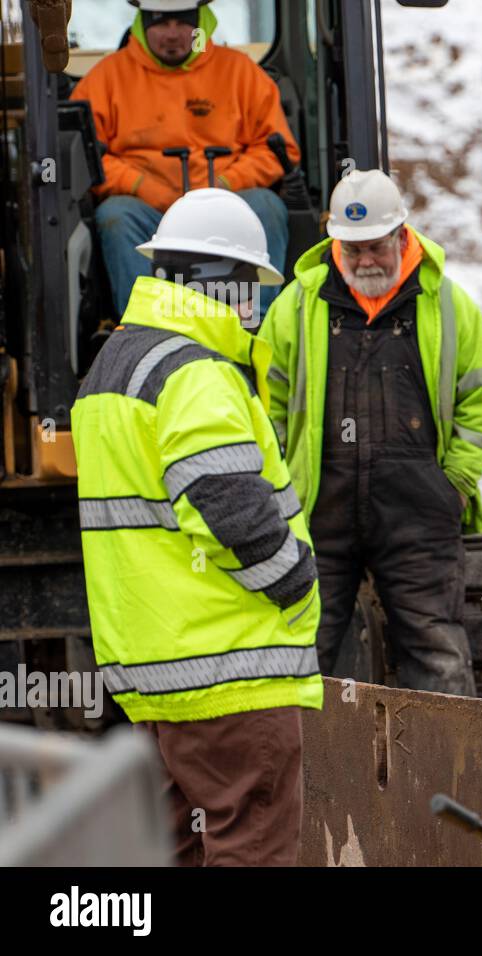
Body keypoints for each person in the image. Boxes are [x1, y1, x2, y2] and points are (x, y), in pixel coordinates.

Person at [71, 188, 321, 866]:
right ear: (213, 283)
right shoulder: (195, 372)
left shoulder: (111, 370)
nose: (254, 308)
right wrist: (295, 585)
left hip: (153, 675)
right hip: (230, 674)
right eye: (248, 288)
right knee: (251, 847)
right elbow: (228, 509)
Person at [259, 169, 482, 695]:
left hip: (419, 511)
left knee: (436, 651)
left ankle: (445, 777)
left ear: (401, 236)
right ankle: (305, 779)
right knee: (303, 654)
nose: (365, 261)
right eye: (352, 250)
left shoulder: (446, 305)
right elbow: (268, 407)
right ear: (333, 242)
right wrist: (282, 486)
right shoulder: (296, 308)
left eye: (375, 247)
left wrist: (454, 483)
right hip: (319, 510)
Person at [70, 0, 300, 318]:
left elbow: (278, 149)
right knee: (116, 215)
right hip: (147, 211)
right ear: (142, 24)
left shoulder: (241, 73)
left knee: (266, 206)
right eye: (161, 23)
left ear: (202, 22)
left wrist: (224, 184)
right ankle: (146, 328)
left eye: (183, 23)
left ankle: (254, 322)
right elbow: (86, 156)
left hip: (227, 207)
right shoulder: (105, 79)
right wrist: (141, 186)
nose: (173, 34)